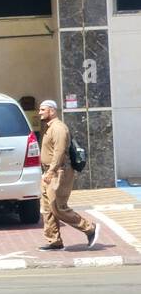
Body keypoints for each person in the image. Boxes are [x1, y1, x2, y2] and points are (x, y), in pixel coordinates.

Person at [36, 100, 98, 251]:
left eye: (43, 110)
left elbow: (59, 152)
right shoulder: (49, 128)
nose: (40, 112)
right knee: (47, 209)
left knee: (58, 207)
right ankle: (54, 241)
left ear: (52, 111)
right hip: (48, 172)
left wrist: (51, 172)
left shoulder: (58, 128)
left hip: (58, 172)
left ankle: (89, 228)